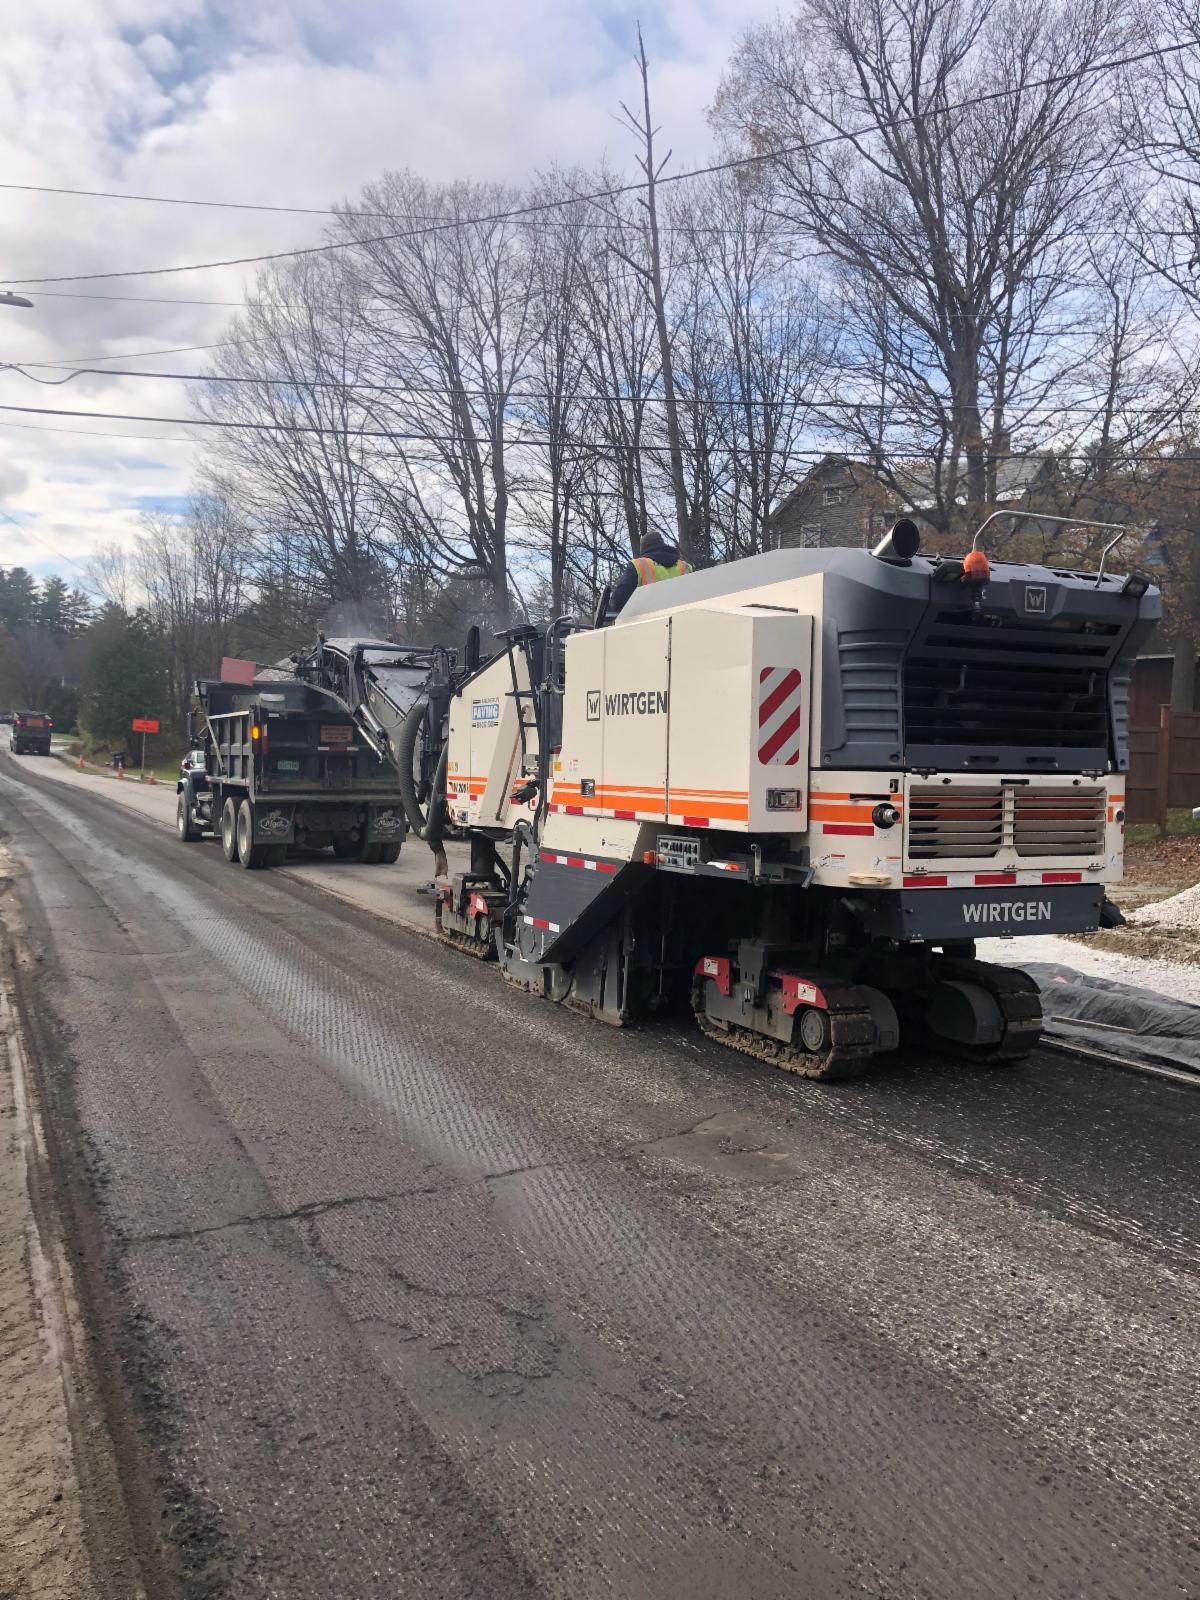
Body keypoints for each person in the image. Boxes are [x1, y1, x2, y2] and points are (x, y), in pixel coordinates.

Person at [610, 532, 692, 612]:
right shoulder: (685, 567)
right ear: (663, 545)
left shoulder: (639, 565)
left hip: (649, 622)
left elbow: (617, 603)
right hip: (683, 620)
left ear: (643, 549)